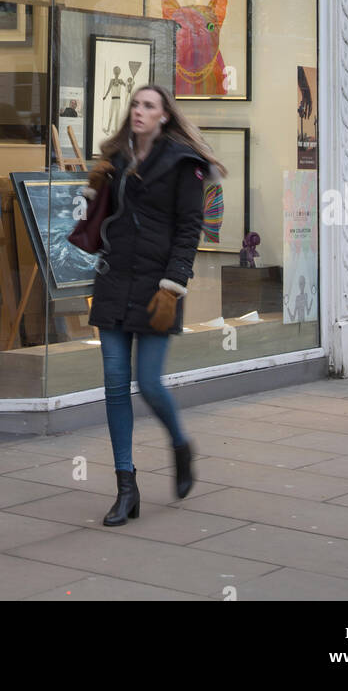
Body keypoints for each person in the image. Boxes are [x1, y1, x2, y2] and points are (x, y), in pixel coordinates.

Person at [85, 84, 225, 526]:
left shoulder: (184, 165)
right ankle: (126, 487)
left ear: (165, 116)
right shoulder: (116, 160)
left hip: (156, 287)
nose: (139, 111)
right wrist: (95, 191)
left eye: (149, 105)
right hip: (113, 280)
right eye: (136, 105)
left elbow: (190, 228)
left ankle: (180, 444)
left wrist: (174, 283)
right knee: (113, 382)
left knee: (147, 382)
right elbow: (100, 221)